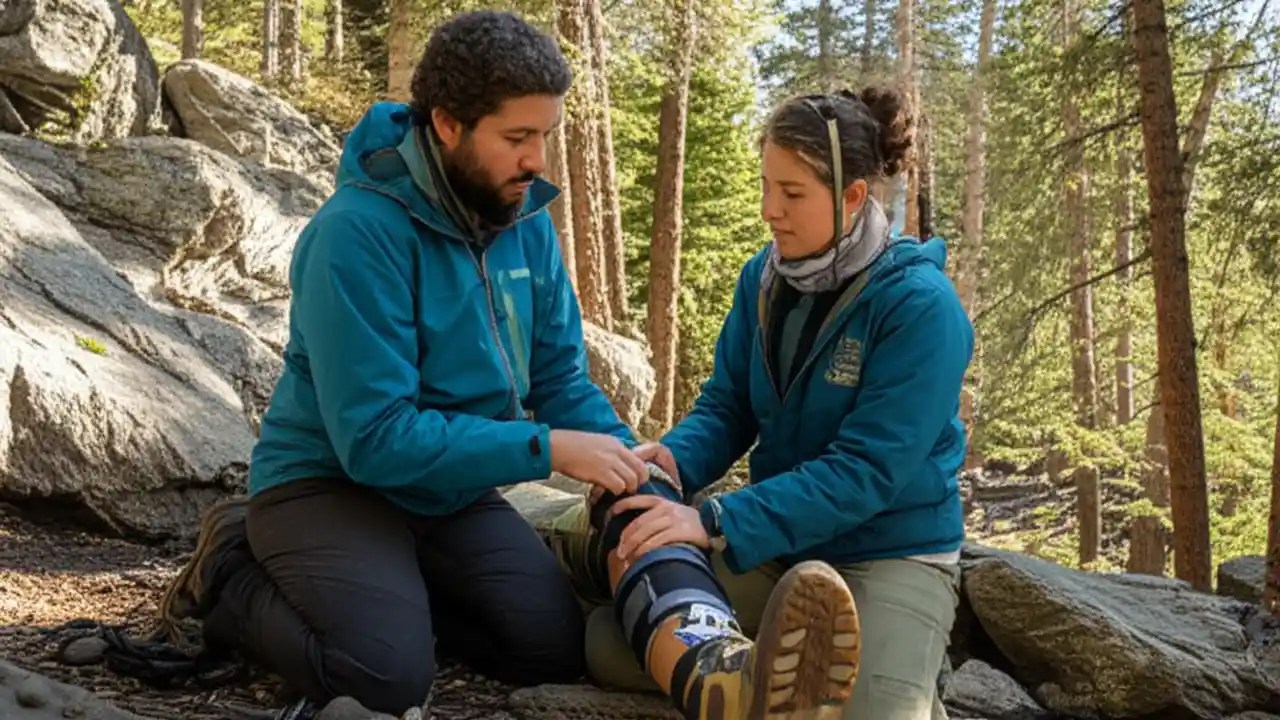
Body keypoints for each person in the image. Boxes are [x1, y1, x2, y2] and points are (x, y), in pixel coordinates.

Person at [149, 11, 660, 718]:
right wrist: (546, 449)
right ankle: (230, 577)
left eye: (545, 135)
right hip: (327, 486)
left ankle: (390, 599)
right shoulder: (355, 234)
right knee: (383, 678)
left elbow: (560, 379)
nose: (537, 161)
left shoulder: (524, 221)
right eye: (517, 138)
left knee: (549, 647)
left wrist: (631, 469)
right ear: (448, 124)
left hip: (450, 493)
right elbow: (375, 439)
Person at [549, 85, 974, 719]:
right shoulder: (765, 279)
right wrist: (673, 461)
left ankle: (904, 666)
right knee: (611, 646)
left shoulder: (920, 307)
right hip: (786, 546)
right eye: (766, 186)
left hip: (888, 552)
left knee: (871, 712)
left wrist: (716, 521)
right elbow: (728, 406)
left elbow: (865, 473)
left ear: (853, 196)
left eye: (792, 194)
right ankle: (755, 674)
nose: (769, 210)